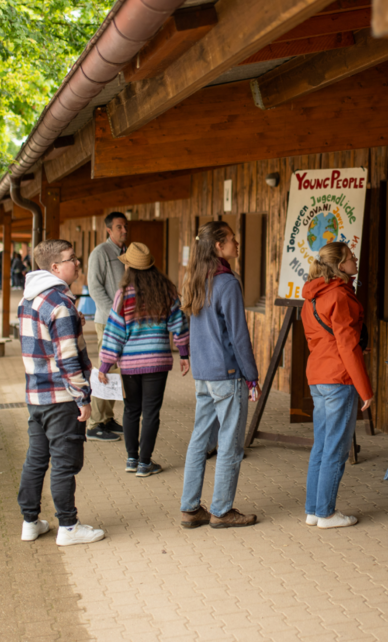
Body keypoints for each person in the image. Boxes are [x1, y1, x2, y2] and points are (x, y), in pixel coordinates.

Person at [16, 239, 105, 546]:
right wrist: (83, 398)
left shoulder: (28, 300)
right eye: (72, 259)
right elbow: (67, 358)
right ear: (54, 267)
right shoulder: (60, 305)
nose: (77, 263)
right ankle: (68, 526)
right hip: (61, 397)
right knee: (65, 462)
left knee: (36, 460)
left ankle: (30, 522)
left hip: (35, 396)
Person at [180, 221, 260, 530]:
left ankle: (190, 509)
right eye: (232, 239)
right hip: (227, 374)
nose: (237, 243)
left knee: (200, 440)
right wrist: (251, 376)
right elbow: (238, 336)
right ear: (218, 246)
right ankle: (222, 511)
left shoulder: (197, 278)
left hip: (203, 374)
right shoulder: (227, 282)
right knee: (230, 444)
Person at [98, 242, 190, 477]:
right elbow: (178, 324)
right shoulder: (166, 290)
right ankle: (145, 463)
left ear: (129, 266)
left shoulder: (123, 294)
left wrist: (106, 364)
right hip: (157, 360)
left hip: (130, 363)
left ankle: (131, 459)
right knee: (151, 412)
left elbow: (114, 331)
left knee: (131, 410)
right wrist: (184, 353)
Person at [301, 242, 373, 529]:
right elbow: (346, 346)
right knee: (336, 449)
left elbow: (318, 338)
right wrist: (365, 389)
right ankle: (327, 514)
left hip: (317, 374)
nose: (355, 260)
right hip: (338, 377)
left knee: (321, 446)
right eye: (352, 257)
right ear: (341, 265)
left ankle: (313, 510)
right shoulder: (340, 296)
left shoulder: (312, 295)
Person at [86, 211, 129, 442]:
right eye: (119, 227)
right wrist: (113, 314)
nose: (124, 230)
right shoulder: (100, 253)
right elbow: (94, 287)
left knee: (115, 373)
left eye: (125, 226)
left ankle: (107, 418)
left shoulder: (126, 254)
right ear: (109, 230)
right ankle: (94, 424)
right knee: (105, 371)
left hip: (124, 322)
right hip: (108, 322)